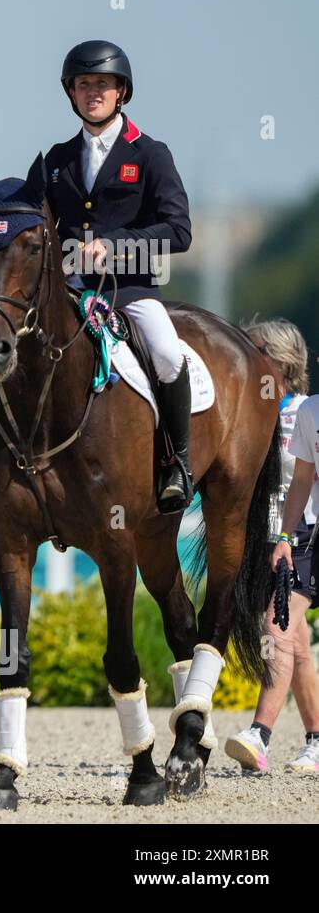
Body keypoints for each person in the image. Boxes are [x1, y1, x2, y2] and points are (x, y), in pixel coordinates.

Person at [48, 40, 194, 511]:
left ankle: (176, 462)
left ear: (121, 92)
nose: (93, 92)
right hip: (69, 292)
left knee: (168, 356)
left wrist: (114, 245)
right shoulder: (57, 160)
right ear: (71, 92)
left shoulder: (150, 154)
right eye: (83, 84)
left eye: (103, 84)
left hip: (130, 290)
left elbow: (179, 230)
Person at [225, 317, 319, 773]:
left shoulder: (301, 411)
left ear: (279, 361)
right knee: (296, 643)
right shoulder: (248, 407)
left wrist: (287, 532)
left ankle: (259, 734)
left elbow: (300, 480)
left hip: (303, 533)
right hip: (269, 536)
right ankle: (316, 742)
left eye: (256, 349)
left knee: (276, 628)